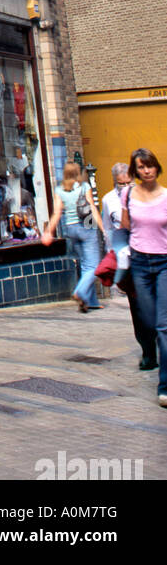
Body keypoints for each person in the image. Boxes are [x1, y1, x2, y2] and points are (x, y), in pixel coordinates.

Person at [121, 148, 167, 409]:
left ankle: (165, 386)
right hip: (139, 263)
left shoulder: (166, 197)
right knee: (148, 323)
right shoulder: (128, 195)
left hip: (164, 263)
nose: (146, 171)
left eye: (150, 166)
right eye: (141, 167)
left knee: (163, 327)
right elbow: (126, 227)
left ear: (156, 167)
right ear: (135, 170)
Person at [102, 162, 157, 370]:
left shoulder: (148, 195)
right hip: (128, 259)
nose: (125, 187)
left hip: (153, 254)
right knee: (138, 307)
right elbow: (108, 229)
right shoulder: (109, 200)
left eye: (128, 182)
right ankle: (148, 351)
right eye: (120, 184)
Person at [41, 160, 106, 312]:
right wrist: (104, 229)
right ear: (78, 172)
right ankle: (80, 292)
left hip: (71, 229)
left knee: (85, 265)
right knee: (94, 266)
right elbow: (92, 209)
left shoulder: (59, 190)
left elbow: (57, 213)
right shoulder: (84, 187)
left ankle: (90, 301)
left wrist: (48, 231)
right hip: (86, 227)